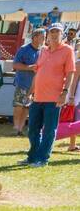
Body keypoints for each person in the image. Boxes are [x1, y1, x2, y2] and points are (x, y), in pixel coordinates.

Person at [27, 21, 75, 167]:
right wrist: (31, 92)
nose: (54, 35)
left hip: (54, 97)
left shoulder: (67, 50)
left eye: (57, 32)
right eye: (52, 32)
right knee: (32, 129)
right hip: (37, 96)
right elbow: (38, 72)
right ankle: (33, 157)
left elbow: (70, 73)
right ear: (47, 35)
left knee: (49, 129)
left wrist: (65, 92)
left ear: (62, 35)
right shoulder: (43, 51)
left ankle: (43, 159)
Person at [11, 28, 44, 135]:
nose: (44, 39)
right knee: (19, 105)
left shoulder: (43, 51)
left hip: (35, 85)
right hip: (22, 83)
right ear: (34, 37)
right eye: (41, 36)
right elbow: (15, 65)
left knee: (27, 107)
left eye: (44, 36)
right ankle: (16, 127)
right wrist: (29, 67)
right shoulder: (24, 49)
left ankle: (20, 128)